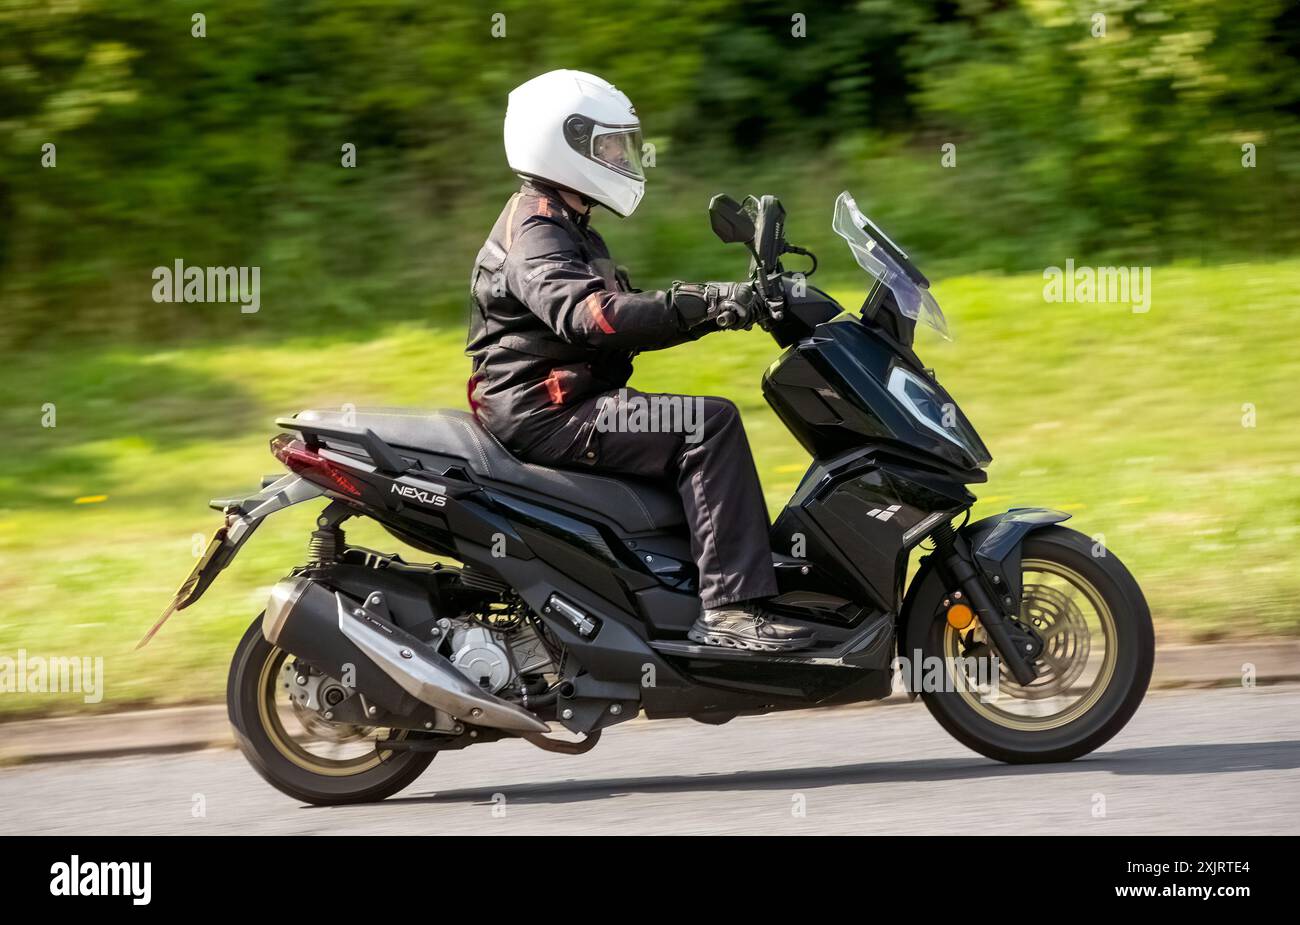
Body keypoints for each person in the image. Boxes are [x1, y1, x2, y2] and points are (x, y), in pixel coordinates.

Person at [466, 69, 813, 652]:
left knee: (695, 419)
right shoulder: (536, 230)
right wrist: (707, 303)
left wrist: (718, 308)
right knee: (707, 425)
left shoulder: (562, 219)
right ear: (563, 143)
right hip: (547, 411)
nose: (618, 156)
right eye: (605, 145)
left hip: (558, 399)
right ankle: (729, 611)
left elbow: (619, 320)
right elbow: (591, 317)